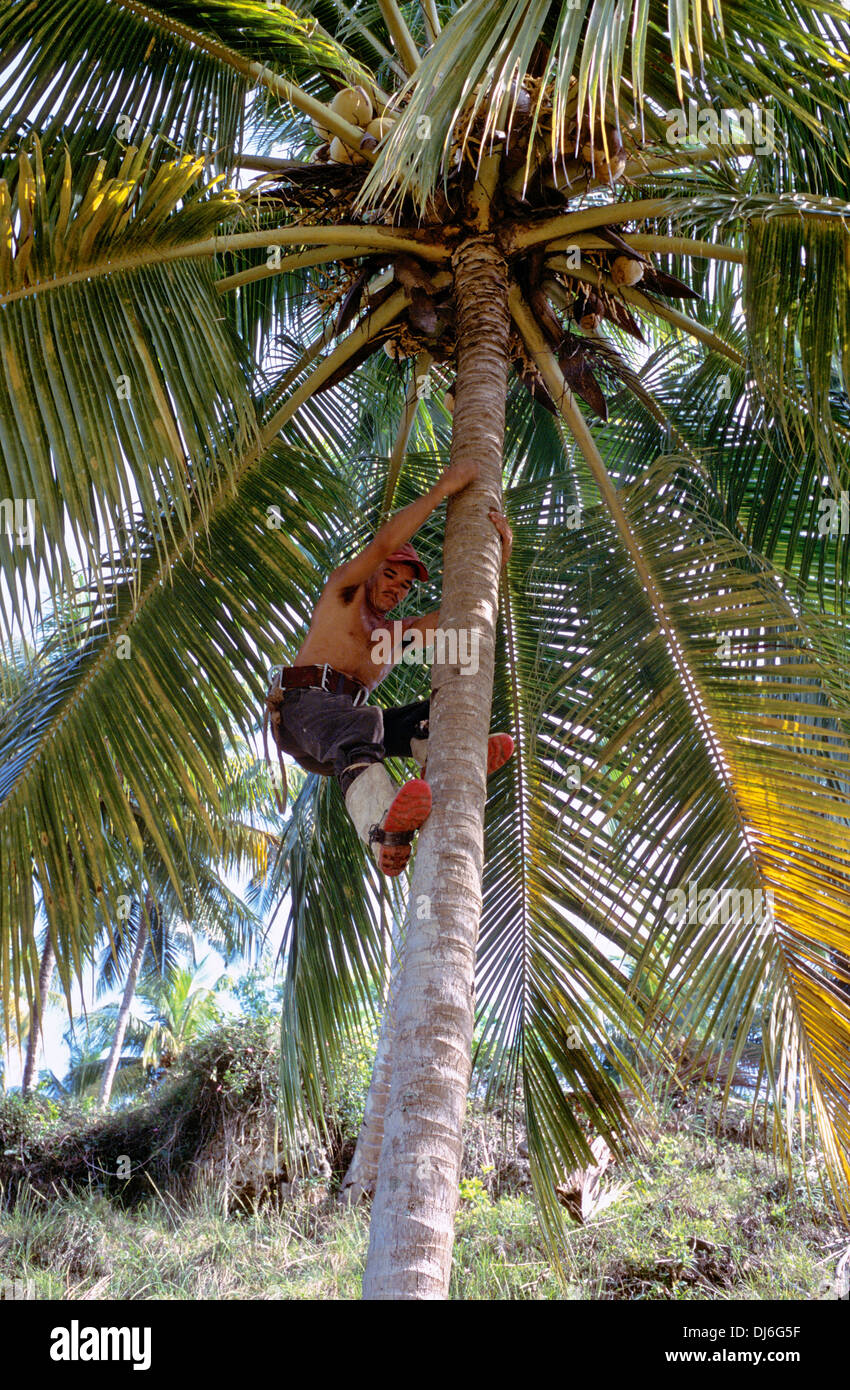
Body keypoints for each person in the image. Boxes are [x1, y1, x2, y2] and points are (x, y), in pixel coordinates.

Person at [265, 458, 514, 876]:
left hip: (345, 736)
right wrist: (442, 489)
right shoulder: (342, 592)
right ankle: (383, 834)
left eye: (404, 586)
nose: (396, 589)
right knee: (362, 723)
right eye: (390, 576)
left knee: (425, 714)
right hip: (302, 711)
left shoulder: (393, 634)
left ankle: (453, 752)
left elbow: (460, 615)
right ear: (370, 573)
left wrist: (497, 558)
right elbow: (382, 545)